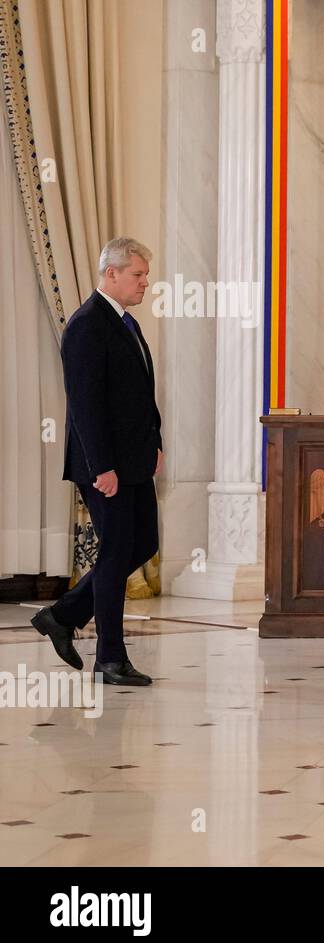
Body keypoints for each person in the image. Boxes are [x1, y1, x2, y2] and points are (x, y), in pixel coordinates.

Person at [30, 238, 162, 687]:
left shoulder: (126, 323)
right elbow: (85, 406)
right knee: (116, 552)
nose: (145, 282)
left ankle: (62, 616)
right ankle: (110, 657)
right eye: (138, 275)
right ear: (112, 274)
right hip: (105, 466)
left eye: (145, 274)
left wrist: (155, 441)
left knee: (140, 545)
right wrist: (102, 465)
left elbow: (142, 393)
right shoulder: (87, 325)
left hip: (136, 460)